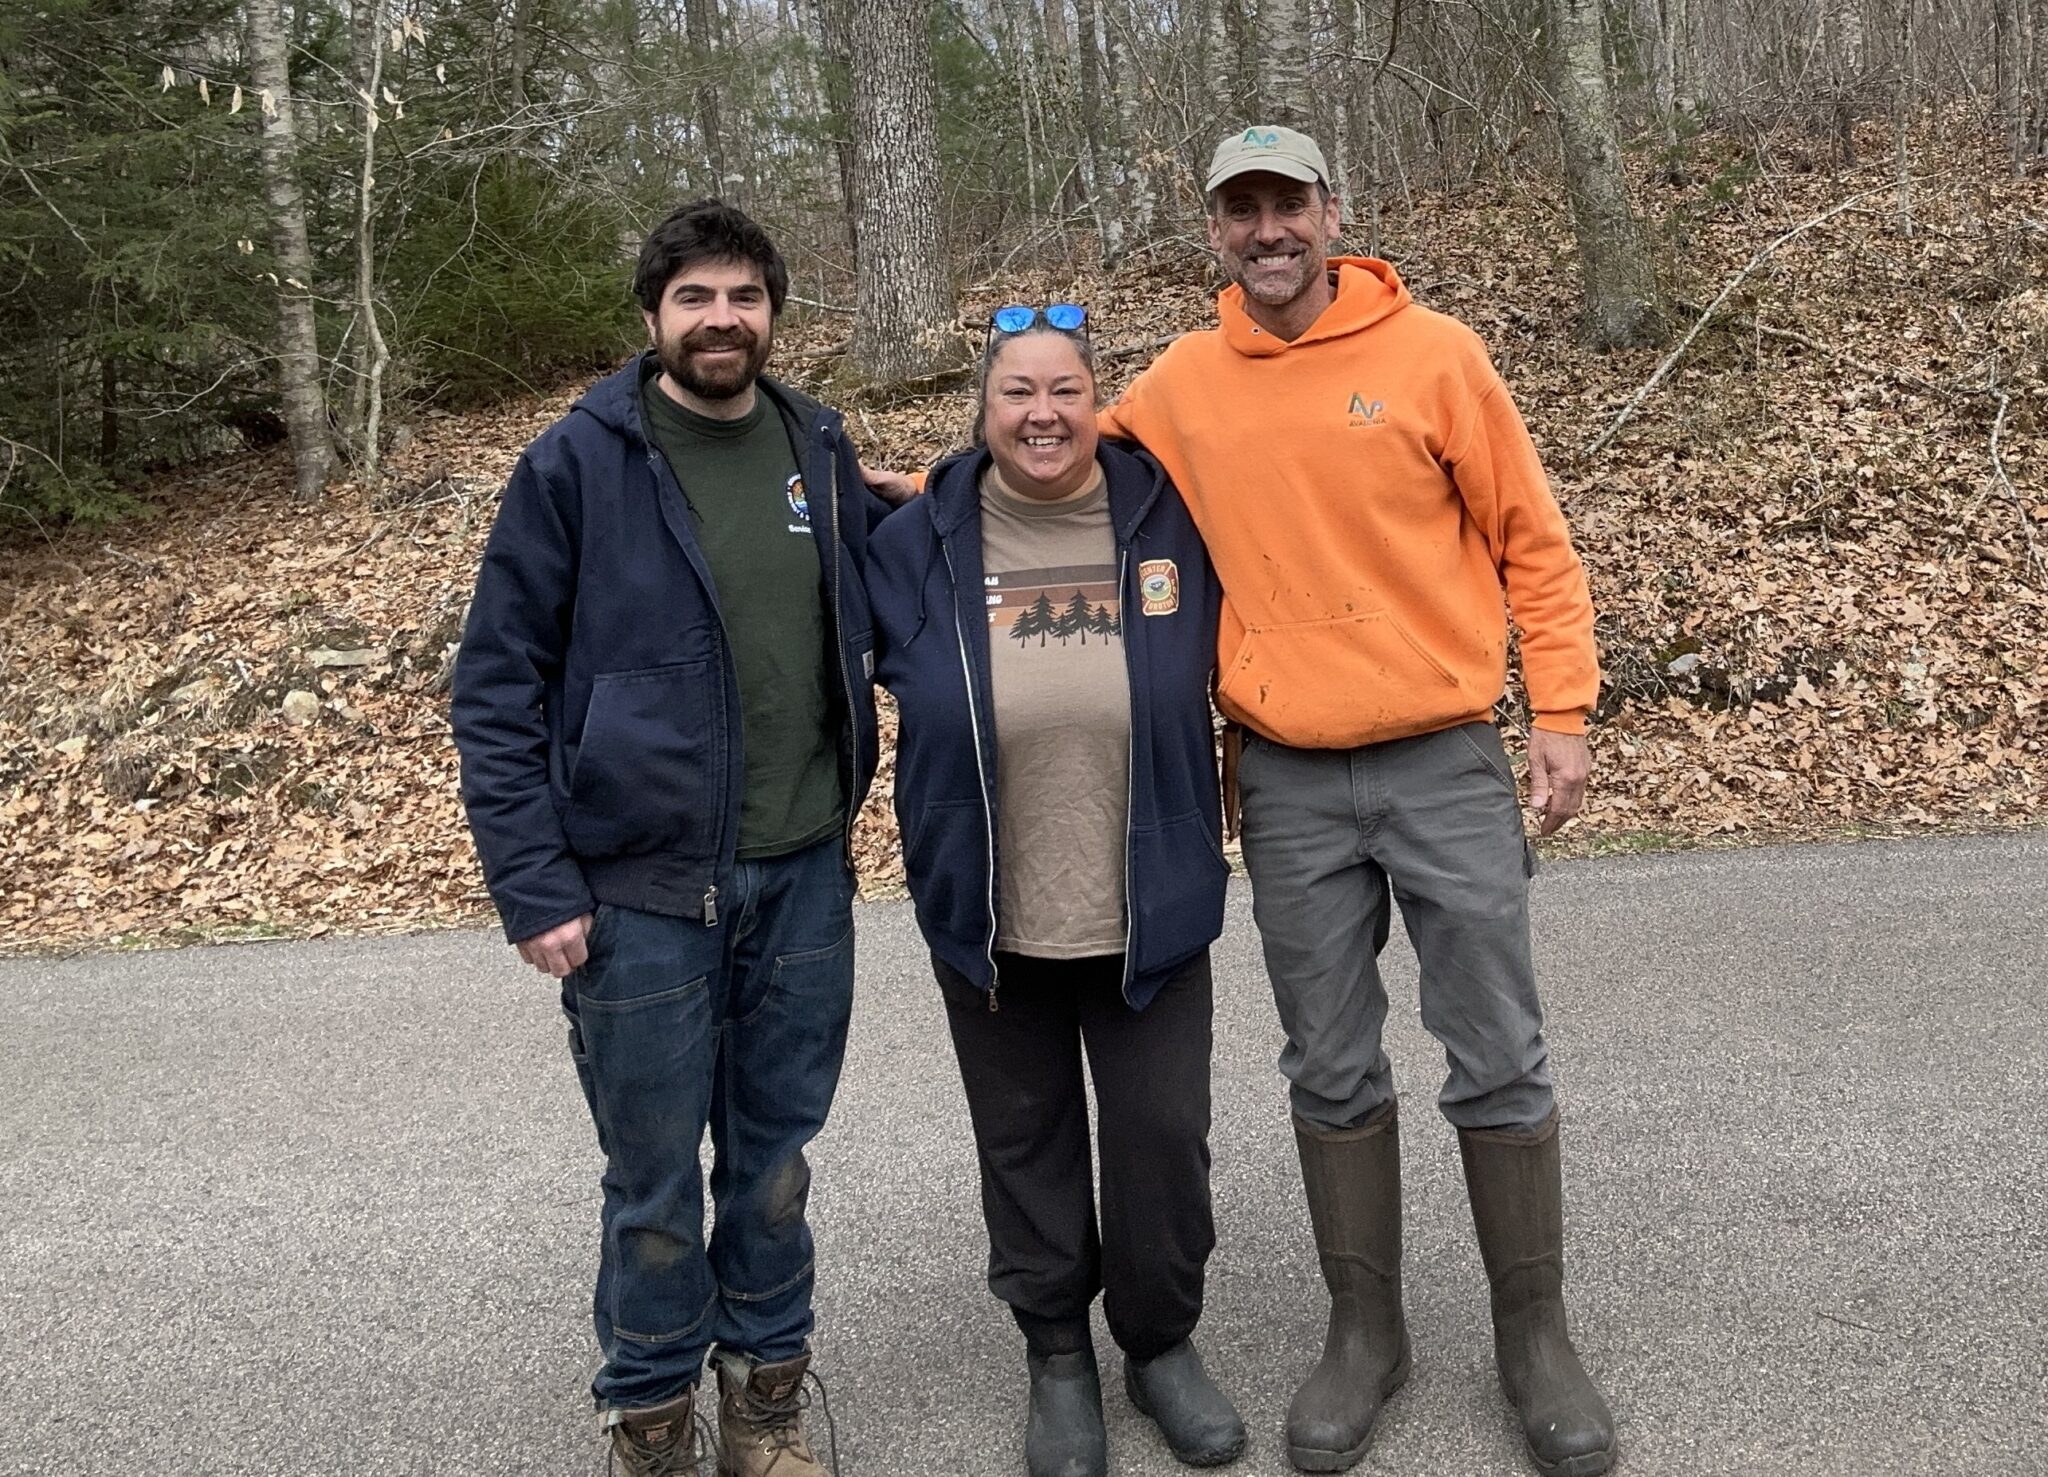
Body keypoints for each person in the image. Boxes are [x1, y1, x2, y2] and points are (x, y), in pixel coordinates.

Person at [1096, 126, 1617, 1477]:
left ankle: (1535, 1337)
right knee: (1328, 1059)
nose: (1266, 230)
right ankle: (1364, 1332)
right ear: (1213, 230)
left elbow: (1531, 538)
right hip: (1285, 775)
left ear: (1334, 211)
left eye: (1288, 204)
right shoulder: (1185, 383)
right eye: (1240, 211)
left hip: (1443, 754)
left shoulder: (1435, 356)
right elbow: (1056, 469)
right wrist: (916, 497)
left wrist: (1558, 711)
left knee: (1496, 1042)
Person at [452, 199, 897, 1477]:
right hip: (637, 891)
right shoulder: (578, 462)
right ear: (651, 317)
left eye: (743, 297)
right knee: (651, 1183)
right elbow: (496, 685)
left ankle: (765, 1401)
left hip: (802, 870)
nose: (721, 320)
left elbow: (890, 578)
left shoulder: (813, 441)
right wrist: (533, 883)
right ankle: (649, 1418)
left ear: (771, 314)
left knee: (772, 1163)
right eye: (695, 298)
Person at [864, 307, 1246, 1477]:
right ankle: (1057, 1357)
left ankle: (1158, 1343)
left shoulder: (1172, 512)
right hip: (990, 914)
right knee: (1022, 1141)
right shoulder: (911, 544)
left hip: (1150, 905)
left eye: (1066, 390)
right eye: (1017, 392)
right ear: (980, 412)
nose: (1042, 413)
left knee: (1160, 1138)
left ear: (1100, 401)